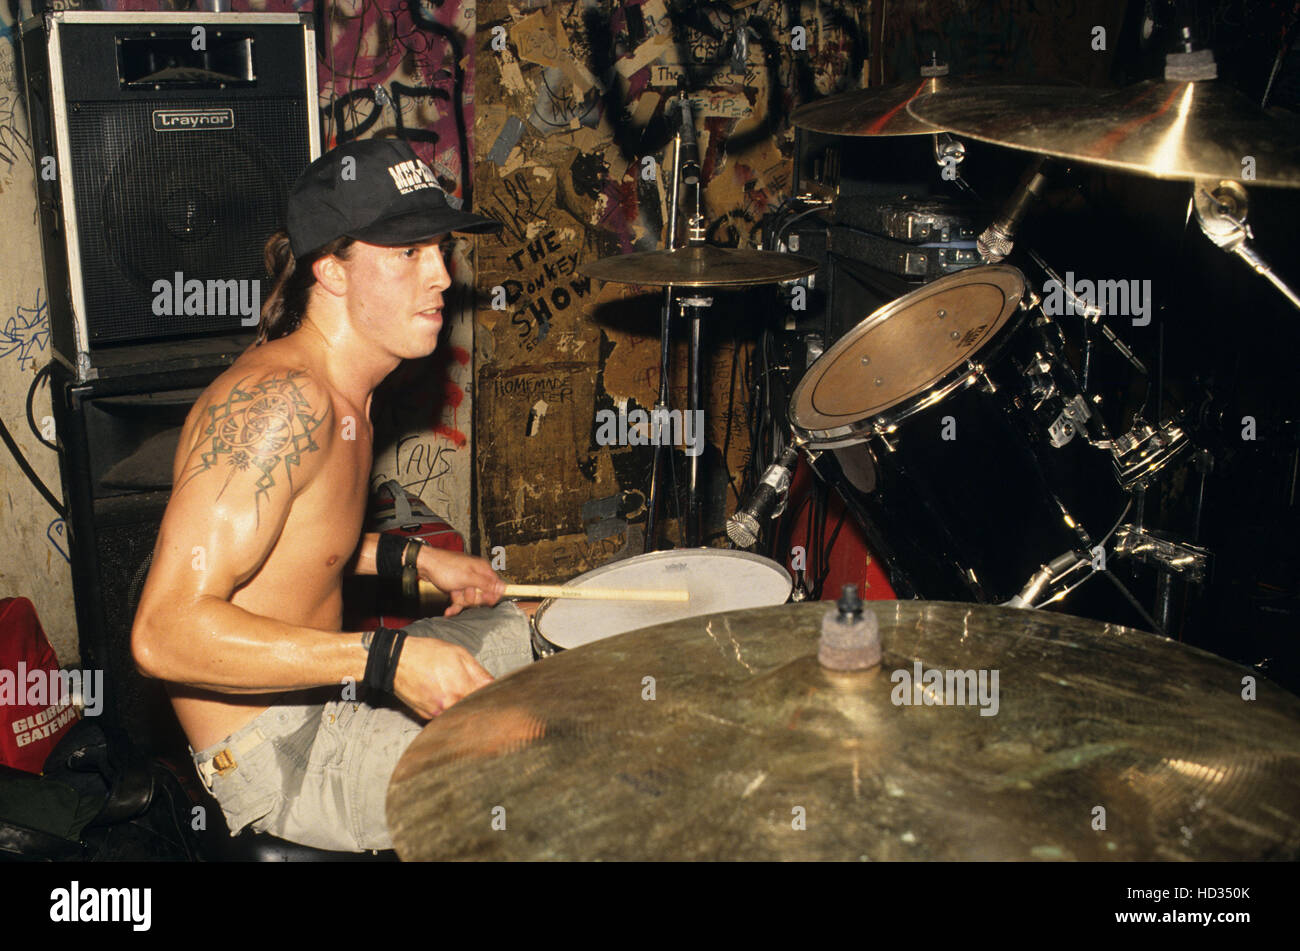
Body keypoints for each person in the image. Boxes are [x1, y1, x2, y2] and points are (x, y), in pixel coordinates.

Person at [130, 137, 533, 853]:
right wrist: (385, 660)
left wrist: (412, 558)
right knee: (562, 760)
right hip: (279, 756)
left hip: (328, 697)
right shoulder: (282, 403)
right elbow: (163, 633)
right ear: (331, 270)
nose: (441, 274)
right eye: (407, 253)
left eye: (439, 248)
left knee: (537, 628)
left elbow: (300, 547)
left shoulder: (348, 389)